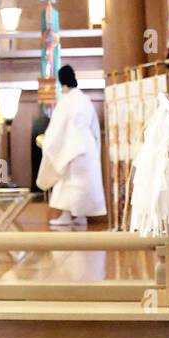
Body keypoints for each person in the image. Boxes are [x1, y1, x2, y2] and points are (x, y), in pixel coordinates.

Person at [36, 64, 106, 228]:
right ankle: (80, 216)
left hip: (71, 147)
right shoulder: (85, 100)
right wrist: (94, 147)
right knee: (84, 184)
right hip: (87, 145)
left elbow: (57, 128)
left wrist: (47, 142)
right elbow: (94, 128)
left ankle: (67, 215)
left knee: (68, 182)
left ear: (62, 83)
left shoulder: (66, 101)